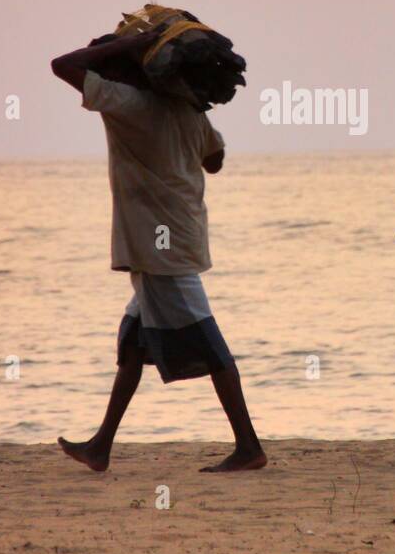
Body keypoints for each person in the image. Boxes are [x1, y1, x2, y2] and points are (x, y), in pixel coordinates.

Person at [50, 25, 266, 474]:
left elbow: (63, 66)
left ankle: (249, 446)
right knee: (133, 346)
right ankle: (101, 445)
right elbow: (216, 160)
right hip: (173, 242)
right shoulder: (189, 113)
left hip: (160, 252)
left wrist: (127, 45)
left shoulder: (129, 106)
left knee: (211, 347)